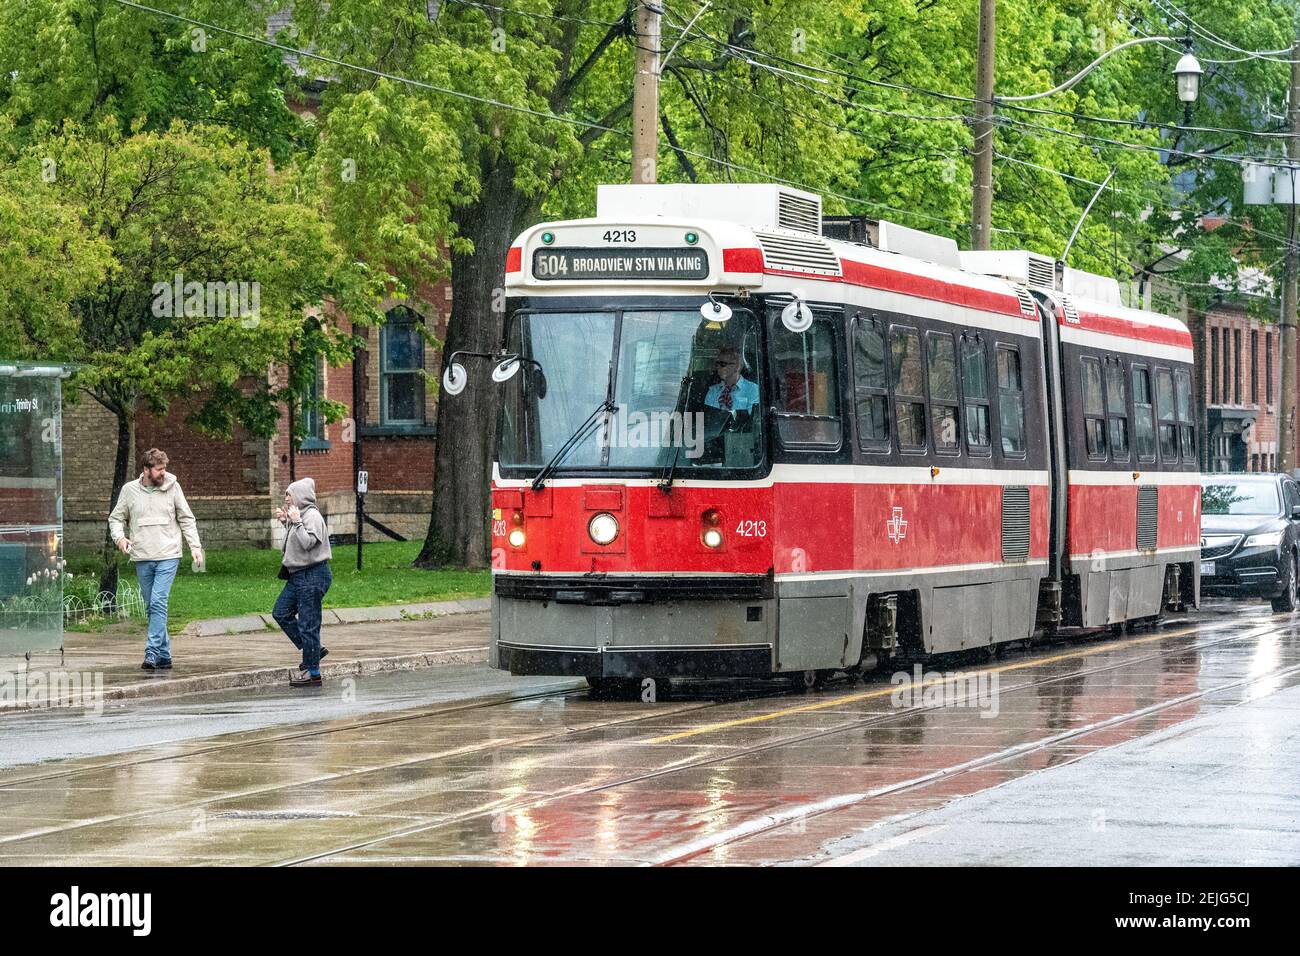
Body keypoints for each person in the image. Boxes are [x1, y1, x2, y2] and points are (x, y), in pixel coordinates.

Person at [108, 448, 204, 671]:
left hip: (168, 554)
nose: (163, 473)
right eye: (159, 469)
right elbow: (115, 519)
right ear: (146, 469)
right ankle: (164, 654)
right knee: (152, 607)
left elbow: (187, 519)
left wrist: (195, 547)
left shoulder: (173, 488)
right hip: (142, 556)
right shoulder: (129, 491)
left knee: (159, 602)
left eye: (164, 469)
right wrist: (120, 539)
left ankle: (151, 651)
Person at [272, 477, 333, 688]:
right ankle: (314, 650)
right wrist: (287, 522)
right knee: (280, 612)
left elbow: (308, 543)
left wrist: (295, 521)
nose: (286, 498)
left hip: (313, 575)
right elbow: (296, 541)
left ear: (300, 496)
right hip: (297, 575)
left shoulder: (313, 515)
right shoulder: (299, 515)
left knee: (309, 623)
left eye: (289, 494)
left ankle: (313, 673)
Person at [704, 346, 759, 415]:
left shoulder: (753, 390)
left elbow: (752, 420)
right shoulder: (713, 391)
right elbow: (706, 418)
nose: (718, 367)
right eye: (717, 364)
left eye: (723, 364)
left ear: (737, 366)